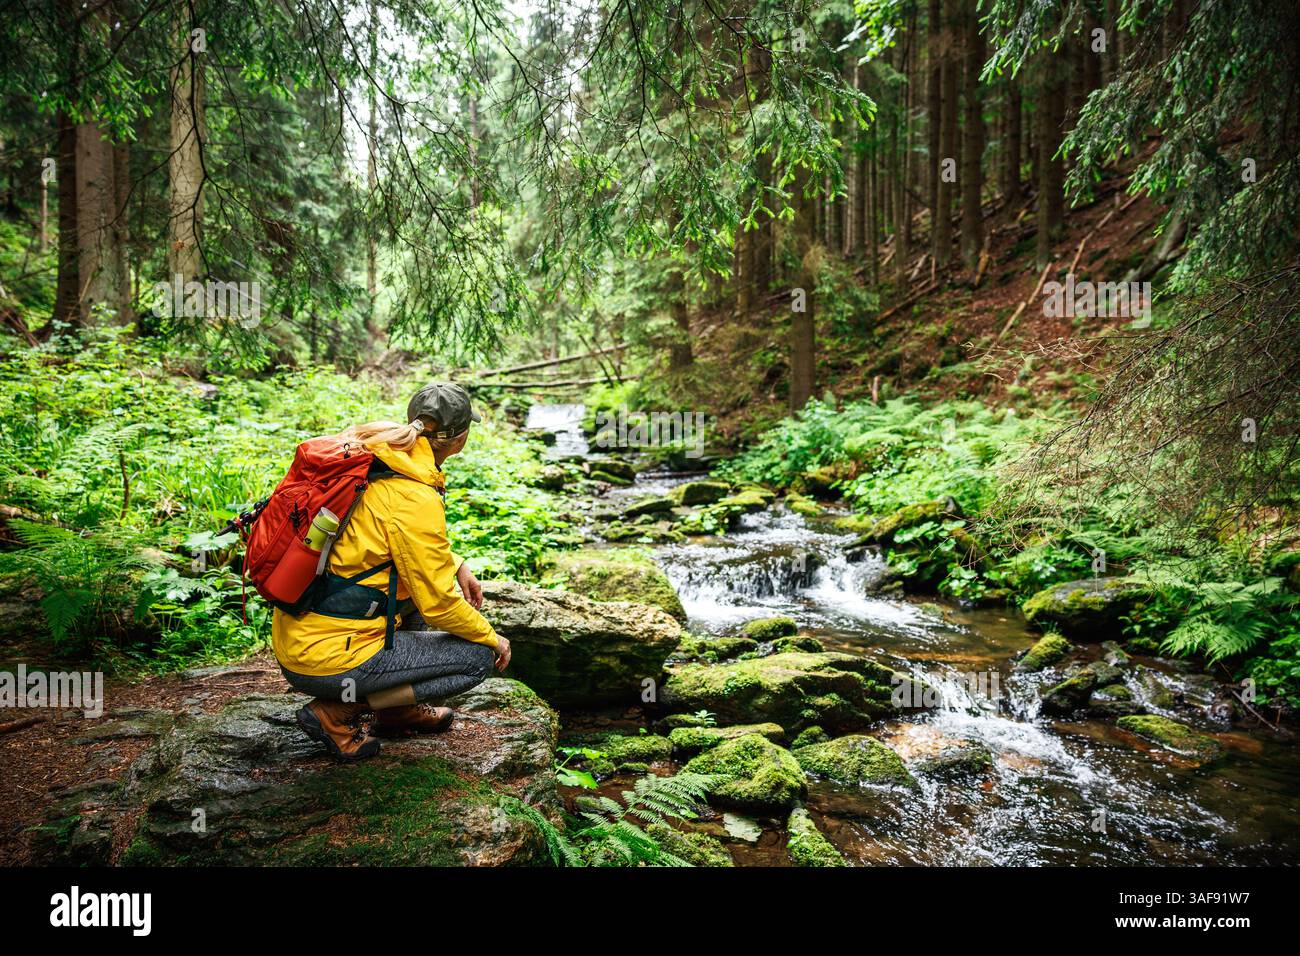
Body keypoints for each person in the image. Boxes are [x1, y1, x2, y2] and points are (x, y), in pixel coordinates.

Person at [273, 382, 511, 760]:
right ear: (459, 437)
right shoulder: (413, 494)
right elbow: (440, 606)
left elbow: (388, 540)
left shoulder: (378, 456)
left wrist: (457, 564)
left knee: (411, 598)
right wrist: (492, 637)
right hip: (329, 659)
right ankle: (336, 712)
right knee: (476, 659)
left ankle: (396, 711)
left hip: (302, 639)